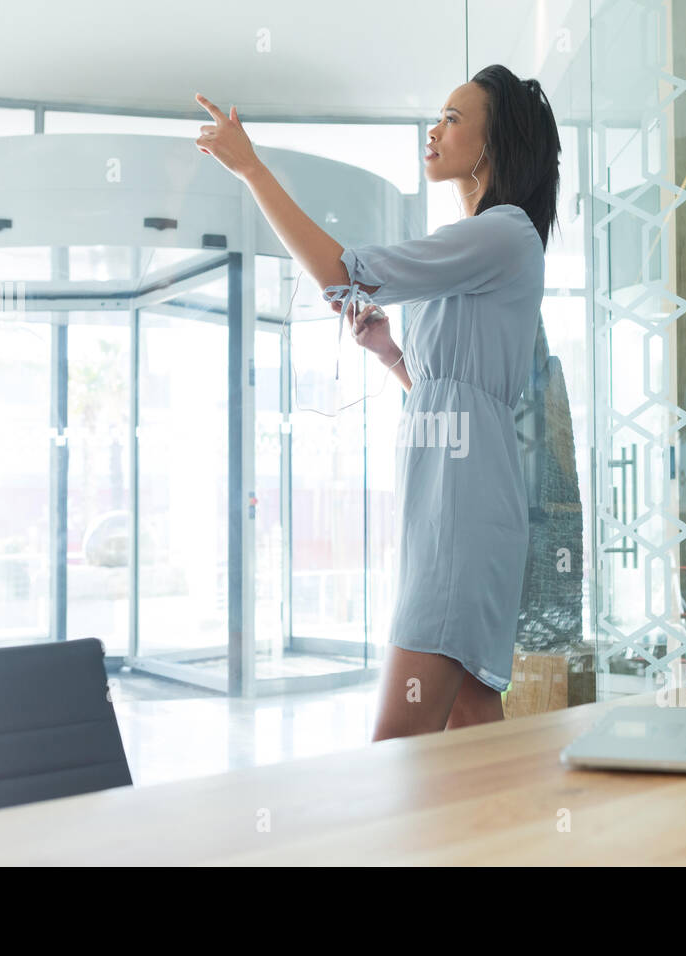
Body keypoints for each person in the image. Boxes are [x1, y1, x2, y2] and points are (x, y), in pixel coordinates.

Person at [195, 64, 560, 739]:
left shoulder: (503, 233)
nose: (434, 128)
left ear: (496, 141)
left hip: (461, 513)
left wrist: (251, 170)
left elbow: (343, 275)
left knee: (396, 748)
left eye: (454, 118)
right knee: (475, 736)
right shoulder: (478, 248)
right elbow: (448, 389)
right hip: (451, 505)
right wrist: (392, 353)